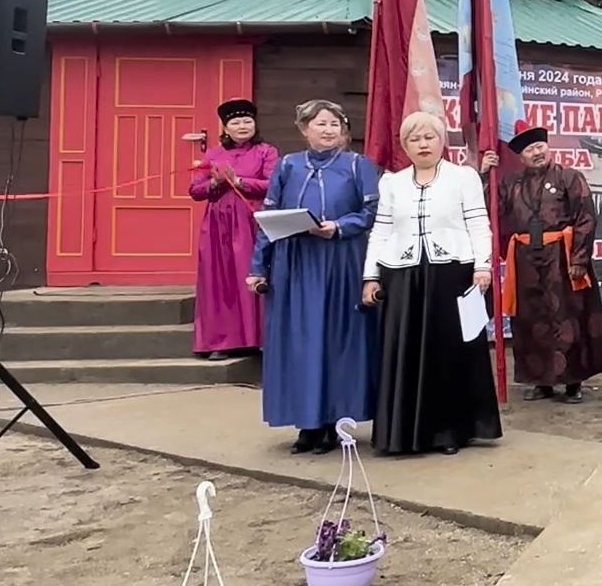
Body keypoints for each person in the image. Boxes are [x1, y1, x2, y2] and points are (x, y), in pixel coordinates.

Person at [363, 111, 503, 456]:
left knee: (448, 352)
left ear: (441, 140)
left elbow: (478, 223)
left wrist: (482, 266)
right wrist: (371, 276)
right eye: (414, 138)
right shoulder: (392, 183)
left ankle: (449, 431)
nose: (423, 144)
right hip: (402, 275)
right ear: (404, 145)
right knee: (404, 350)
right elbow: (381, 231)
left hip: (451, 273)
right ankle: (403, 434)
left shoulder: (463, 177)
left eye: (429, 137)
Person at [246, 99, 379, 454]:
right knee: (299, 342)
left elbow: (372, 212)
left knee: (334, 340)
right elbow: (268, 215)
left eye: (335, 124)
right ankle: (306, 424)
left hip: (339, 262)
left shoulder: (357, 165)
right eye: (320, 123)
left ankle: (334, 423)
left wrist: (338, 226)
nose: (328, 129)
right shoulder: (288, 165)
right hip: (294, 264)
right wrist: (258, 267)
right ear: (305, 129)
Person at [484, 127, 602, 403]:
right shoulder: (511, 183)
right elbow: (491, 209)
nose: (537, 152)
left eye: (540, 146)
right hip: (526, 259)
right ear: (521, 157)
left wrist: (579, 258)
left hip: (562, 257)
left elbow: (586, 217)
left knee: (566, 317)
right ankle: (540, 382)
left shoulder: (569, 177)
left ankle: (572, 382)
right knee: (531, 321)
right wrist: (486, 175)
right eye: (530, 150)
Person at [189, 98, 277, 359]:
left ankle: (258, 339)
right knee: (218, 279)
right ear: (226, 128)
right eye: (235, 122)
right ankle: (221, 341)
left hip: (251, 221)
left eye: (247, 121)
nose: (242, 126)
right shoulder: (214, 154)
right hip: (218, 225)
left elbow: (273, 184)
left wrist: (239, 181)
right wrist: (215, 183)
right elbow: (195, 190)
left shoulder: (266, 151)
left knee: (250, 274)